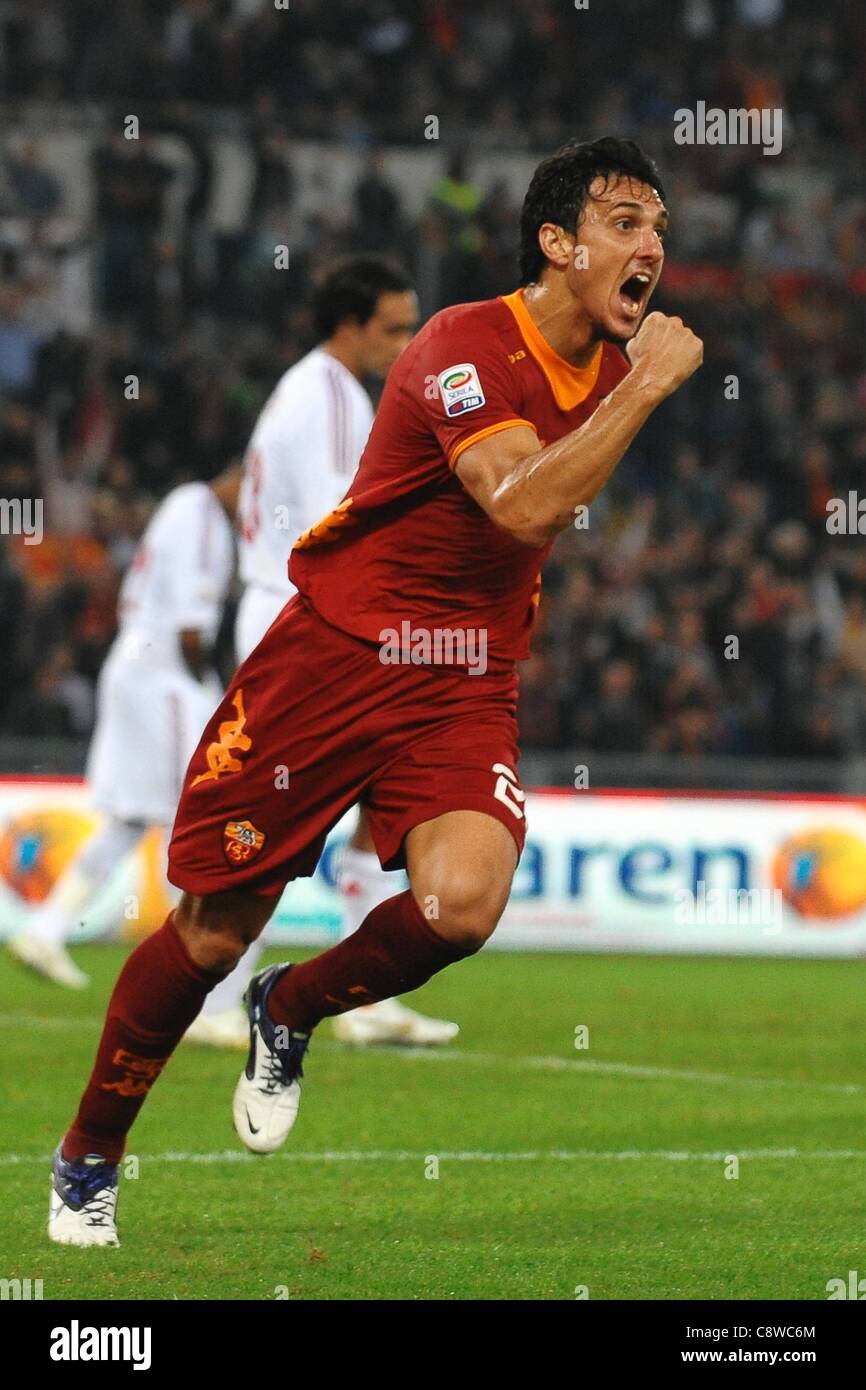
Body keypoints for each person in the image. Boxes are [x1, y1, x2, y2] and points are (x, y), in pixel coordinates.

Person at [49, 137, 702, 1247]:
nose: (651, 245)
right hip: (336, 657)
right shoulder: (461, 344)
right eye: (626, 220)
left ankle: (289, 1008)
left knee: (464, 904)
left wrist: (628, 386)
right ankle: (89, 1158)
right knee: (209, 931)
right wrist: (643, 388)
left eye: (659, 227)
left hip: (462, 677)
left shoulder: (605, 365)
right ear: (556, 242)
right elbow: (521, 508)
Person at [187, 256, 458, 1048]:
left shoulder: (306, 387)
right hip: (304, 622)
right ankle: (216, 999)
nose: (407, 343)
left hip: (298, 614)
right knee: (278, 817)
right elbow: (353, 515)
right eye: (394, 328)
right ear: (349, 327)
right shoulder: (334, 392)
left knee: (381, 796)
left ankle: (366, 996)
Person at [9, 466, 240, 989]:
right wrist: (211, 685)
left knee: (133, 818)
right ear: (244, 478)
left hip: (134, 663)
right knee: (194, 809)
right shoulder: (204, 515)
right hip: (166, 677)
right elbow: (190, 628)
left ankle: (46, 929)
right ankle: (190, 962)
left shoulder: (180, 504)